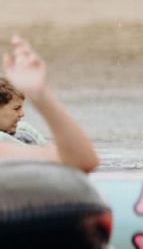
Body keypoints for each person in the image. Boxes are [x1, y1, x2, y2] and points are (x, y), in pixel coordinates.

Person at [0, 36, 100, 172]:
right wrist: (40, 96)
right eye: (16, 109)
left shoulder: (24, 132)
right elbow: (81, 162)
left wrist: (39, 94)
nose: (22, 114)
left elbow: (79, 161)